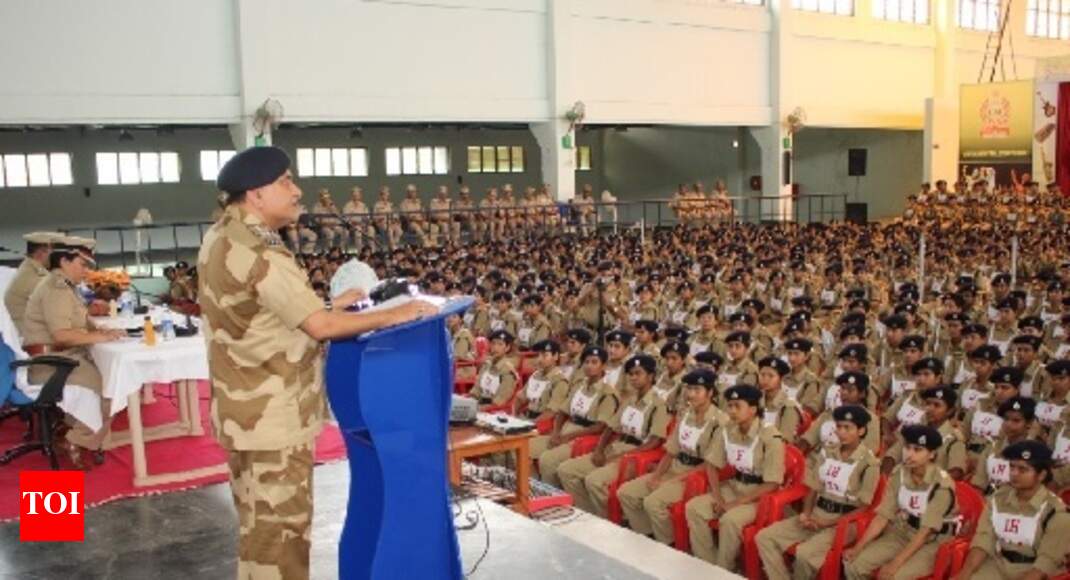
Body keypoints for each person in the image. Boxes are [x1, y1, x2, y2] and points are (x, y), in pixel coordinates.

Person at [198, 146, 435, 580]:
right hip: (274, 416)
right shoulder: (261, 252)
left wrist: (327, 303)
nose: (296, 191)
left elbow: (265, 313)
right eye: (285, 182)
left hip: (245, 412)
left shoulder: (222, 236)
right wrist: (397, 312)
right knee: (282, 540)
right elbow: (321, 327)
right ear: (256, 194)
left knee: (258, 535)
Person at [22, 236, 121, 469]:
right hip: (51, 363)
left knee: (112, 376)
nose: (86, 270)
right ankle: (73, 439)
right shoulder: (55, 288)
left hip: (65, 357)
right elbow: (61, 335)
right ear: (64, 262)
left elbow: (81, 322)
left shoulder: (65, 286)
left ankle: (75, 433)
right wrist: (99, 337)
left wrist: (103, 330)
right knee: (114, 385)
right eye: (82, 264)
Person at [756, 405, 882, 579]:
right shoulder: (827, 453)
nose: (841, 432)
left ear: (861, 431)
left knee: (805, 554)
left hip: (844, 522)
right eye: (839, 427)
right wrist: (806, 513)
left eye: (848, 428)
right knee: (764, 537)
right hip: (817, 513)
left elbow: (863, 507)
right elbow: (813, 487)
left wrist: (826, 523)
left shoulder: (869, 464)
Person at [617, 369, 725, 545]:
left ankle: (669, 544)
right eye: (689, 389)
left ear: (710, 393)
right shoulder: (685, 415)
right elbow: (671, 450)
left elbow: (709, 464)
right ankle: (647, 535)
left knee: (653, 502)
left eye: (697, 390)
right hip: (676, 467)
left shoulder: (720, 422)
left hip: (697, 476)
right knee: (626, 492)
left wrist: (671, 480)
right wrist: (657, 476)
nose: (691, 394)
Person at [685, 384, 786, 570]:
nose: (731, 411)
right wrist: (718, 496)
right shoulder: (728, 429)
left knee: (729, 520)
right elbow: (711, 464)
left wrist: (735, 503)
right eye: (729, 406)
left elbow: (772, 484)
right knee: (694, 508)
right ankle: (707, 564)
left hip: (759, 496)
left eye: (737, 406)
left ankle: (725, 569)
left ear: (753, 409)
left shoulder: (770, 437)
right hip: (734, 486)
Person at [557, 354, 671, 516]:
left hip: (636, 454)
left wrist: (626, 455)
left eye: (638, 373)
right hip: (615, 447)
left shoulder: (658, 405)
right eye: (630, 374)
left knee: (594, 481)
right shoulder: (630, 400)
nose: (633, 378)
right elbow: (611, 427)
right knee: (566, 470)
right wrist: (599, 449)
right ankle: (588, 512)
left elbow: (654, 441)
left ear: (651, 376)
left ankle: (608, 519)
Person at [843, 424, 959, 580]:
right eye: (907, 448)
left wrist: (895, 564)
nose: (909, 455)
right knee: (854, 565)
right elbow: (883, 516)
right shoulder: (900, 474)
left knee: (893, 577)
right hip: (903, 531)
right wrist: (858, 547)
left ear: (932, 454)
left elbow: (925, 533)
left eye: (917, 450)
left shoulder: (942, 485)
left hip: (933, 542)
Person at [954, 440, 1070, 579]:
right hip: (998, 565)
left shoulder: (1055, 512)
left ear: (1042, 475)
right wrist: (964, 575)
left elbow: (1044, 565)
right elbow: (983, 541)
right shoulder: (998, 500)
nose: (1014, 473)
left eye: (1023, 470)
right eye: (1012, 467)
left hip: (1033, 571)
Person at [532, 345, 620, 488]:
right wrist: (556, 432)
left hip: (583, 436)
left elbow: (599, 427)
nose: (589, 366)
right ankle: (534, 487)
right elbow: (562, 412)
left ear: (603, 365)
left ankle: (553, 496)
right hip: (565, 430)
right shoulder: (579, 385)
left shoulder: (607, 393)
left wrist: (569, 437)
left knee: (547, 459)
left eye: (594, 362)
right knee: (524, 447)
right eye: (586, 362)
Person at [4, 231, 64, 336]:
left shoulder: (32, 268)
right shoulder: (33, 276)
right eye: (55, 252)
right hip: (27, 337)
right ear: (41, 252)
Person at [341, 186, 375, 251]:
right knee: (358, 231)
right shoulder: (347, 205)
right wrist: (352, 223)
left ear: (360, 196)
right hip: (352, 226)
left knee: (371, 229)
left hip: (363, 225)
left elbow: (367, 217)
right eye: (354, 195)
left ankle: (372, 251)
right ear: (352, 196)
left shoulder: (363, 205)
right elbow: (345, 218)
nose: (356, 197)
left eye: (357, 195)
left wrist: (366, 223)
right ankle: (360, 251)